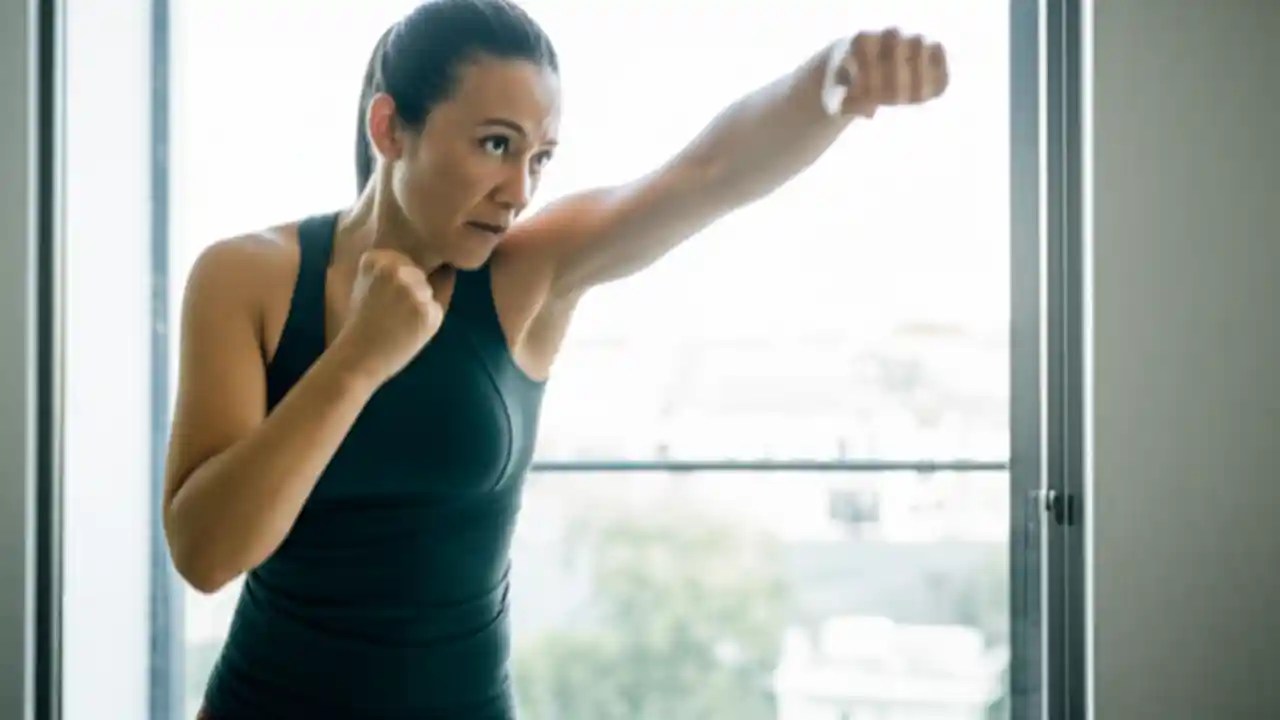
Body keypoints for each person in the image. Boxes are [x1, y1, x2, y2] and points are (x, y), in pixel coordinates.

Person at [162, 0, 949, 717]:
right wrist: (358, 361)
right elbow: (206, 554)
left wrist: (829, 83)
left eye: (539, 158)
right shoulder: (247, 277)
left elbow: (704, 175)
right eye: (496, 145)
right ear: (390, 127)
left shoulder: (527, 277)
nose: (519, 190)